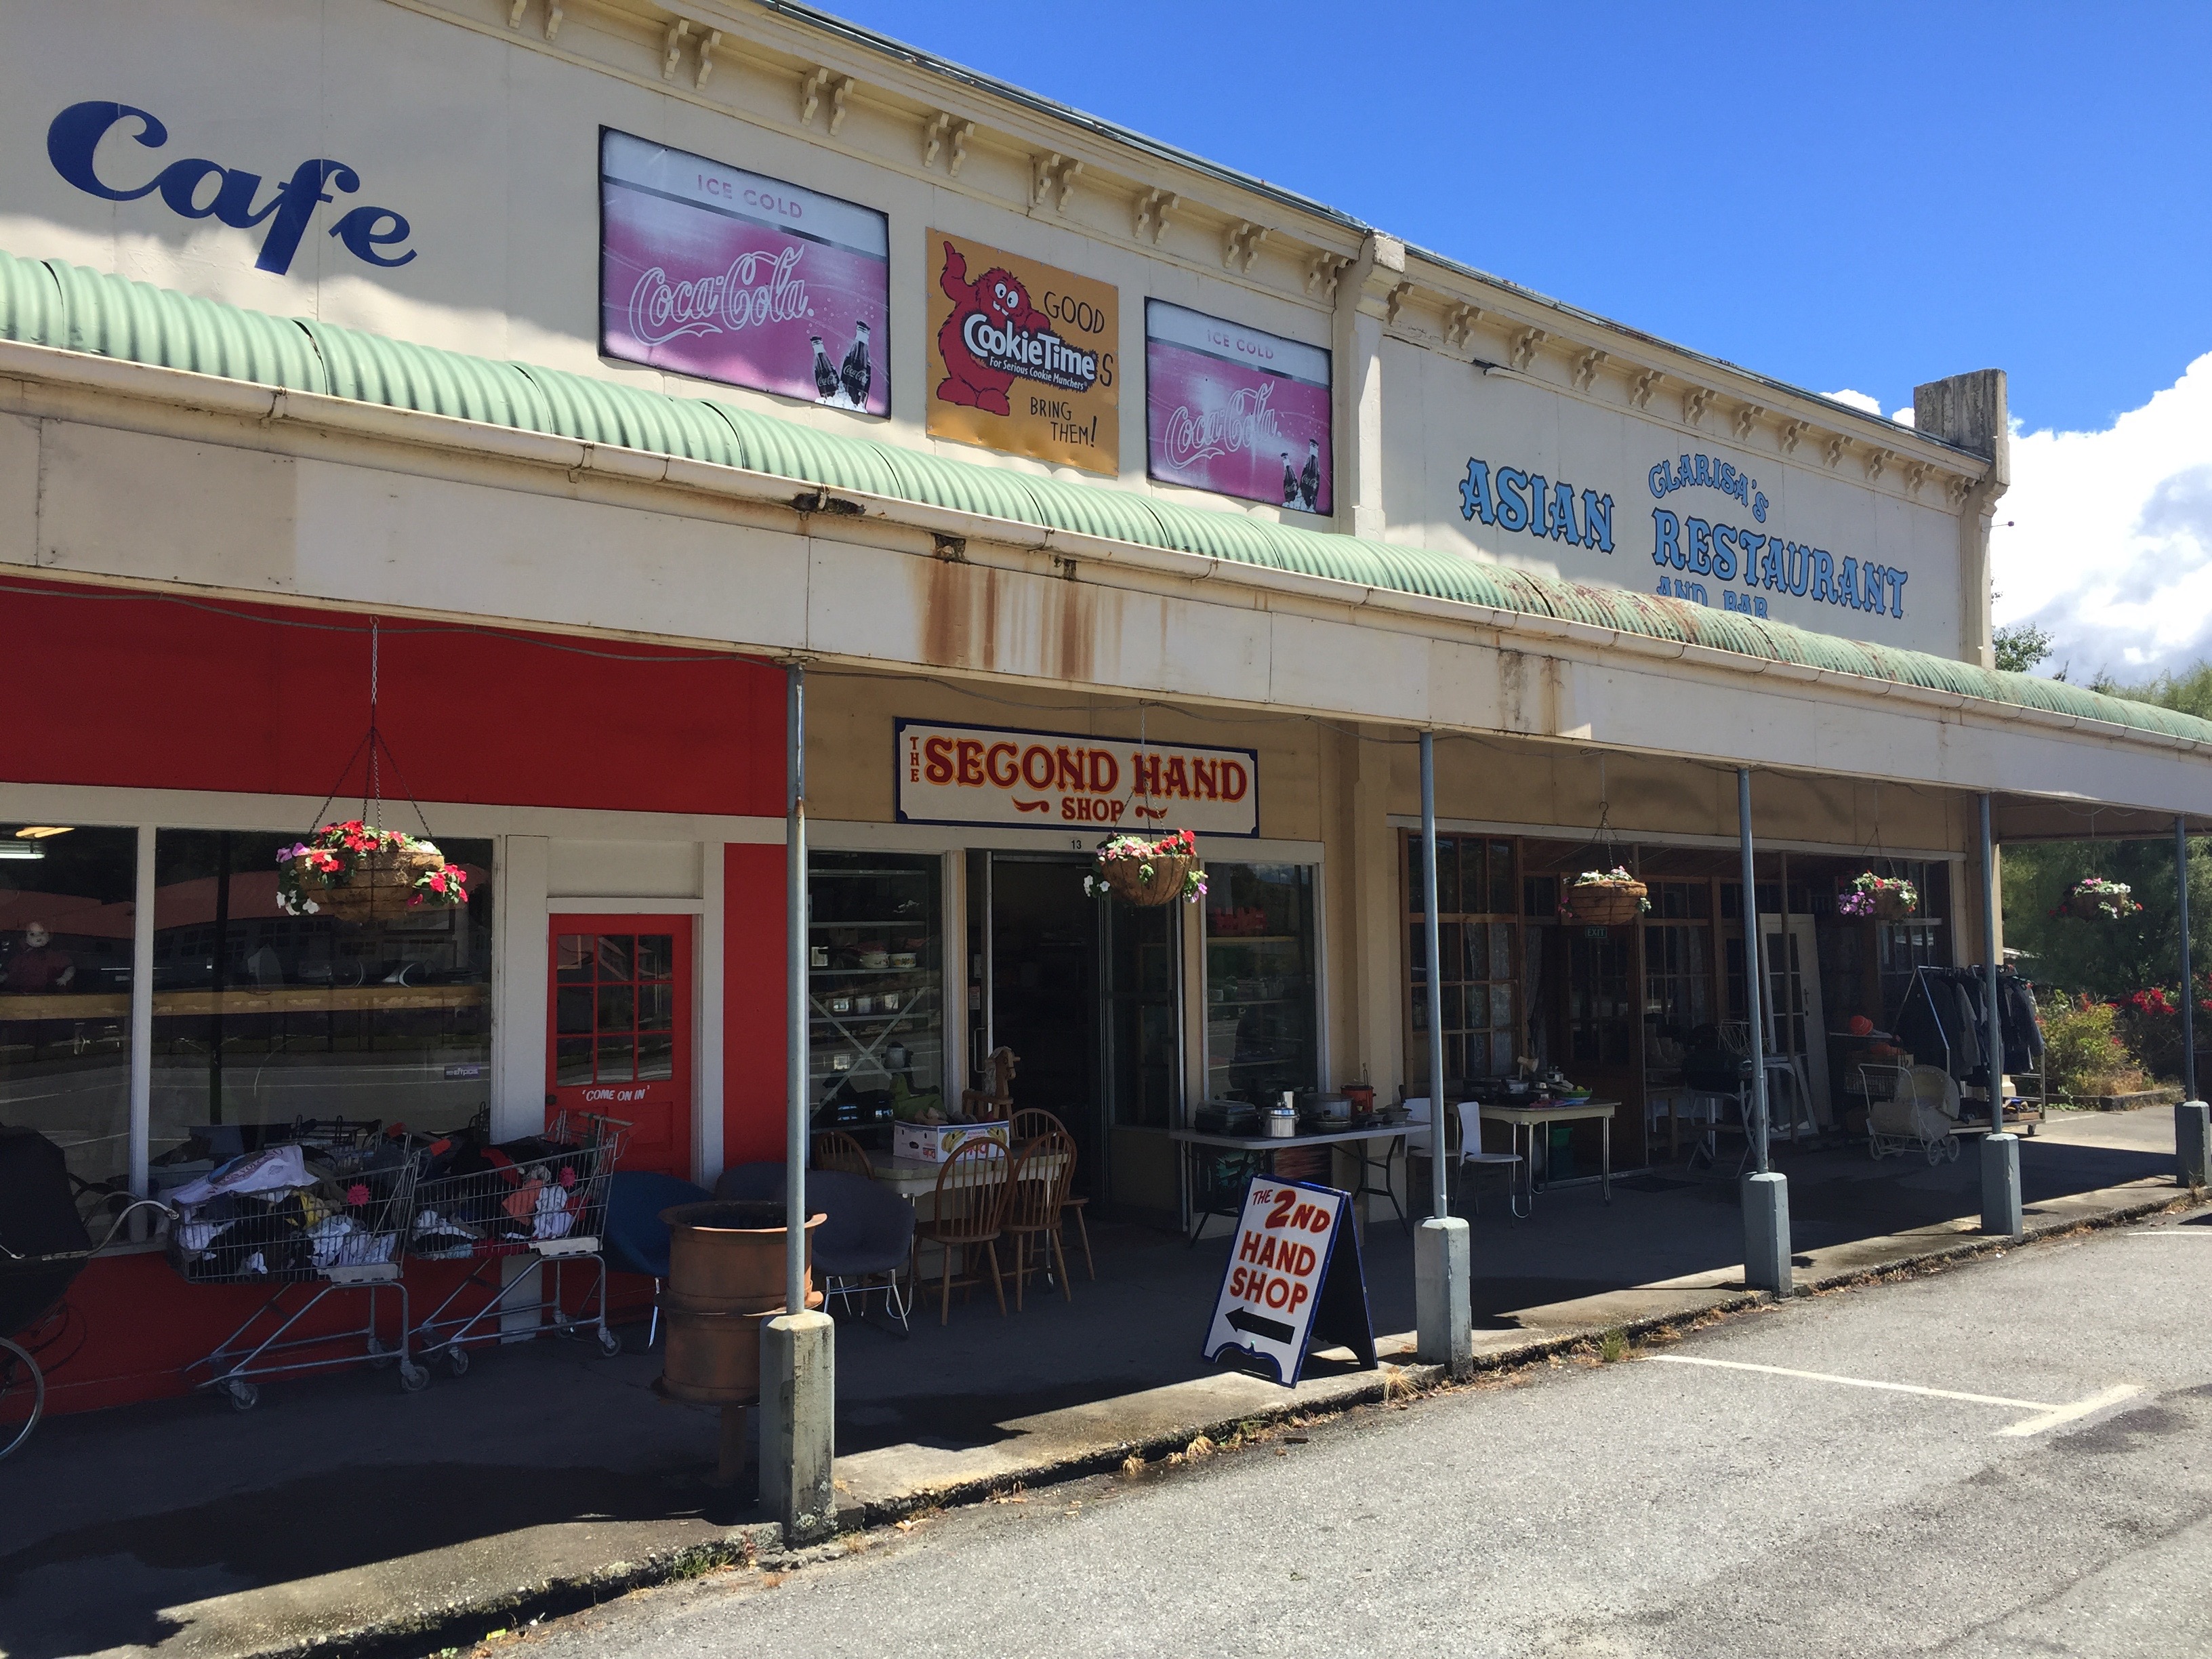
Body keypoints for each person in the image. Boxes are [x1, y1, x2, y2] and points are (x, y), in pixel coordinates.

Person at [4, 922, 76, 991]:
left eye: (42, 933)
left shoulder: (55, 957)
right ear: (25, 938)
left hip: (51, 996)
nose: (38, 937)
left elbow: (70, 968)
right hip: (21, 997)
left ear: (49, 935)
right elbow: (9, 973)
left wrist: (64, 978)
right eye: (32, 934)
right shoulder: (20, 959)